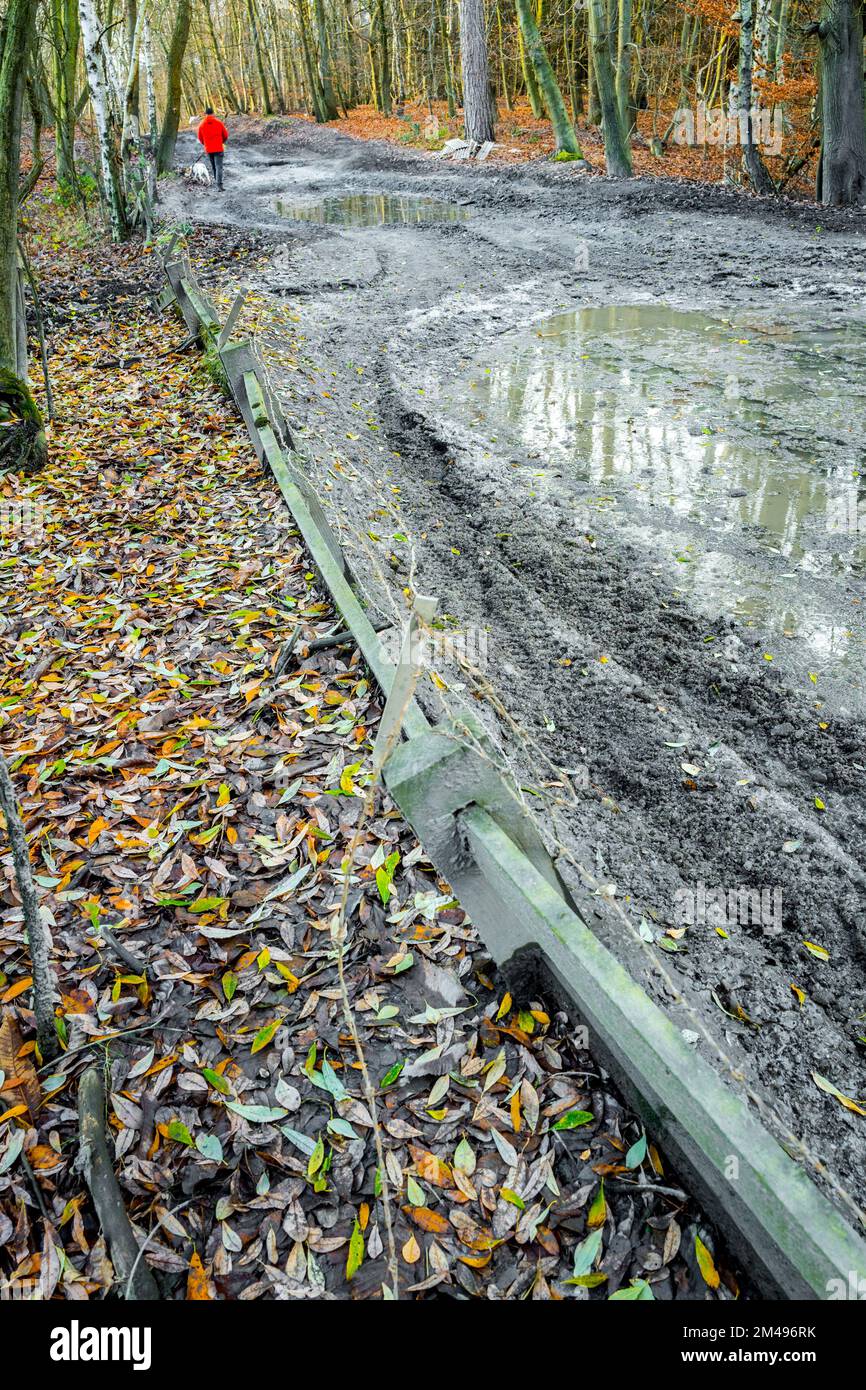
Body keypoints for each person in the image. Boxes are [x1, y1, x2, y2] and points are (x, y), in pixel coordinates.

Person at [197, 108, 228, 191]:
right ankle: (219, 185)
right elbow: (225, 135)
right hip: (218, 148)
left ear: (205, 114)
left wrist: (206, 144)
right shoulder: (219, 123)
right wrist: (221, 142)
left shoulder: (202, 124)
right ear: (213, 113)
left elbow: (200, 138)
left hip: (209, 149)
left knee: (214, 166)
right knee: (219, 167)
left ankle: (217, 183)